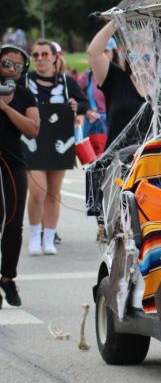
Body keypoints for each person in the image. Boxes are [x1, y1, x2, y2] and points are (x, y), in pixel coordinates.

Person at [25, 39, 86, 256]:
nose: (40, 59)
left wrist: (77, 107)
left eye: (44, 54)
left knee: (53, 193)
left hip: (60, 142)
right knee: (37, 193)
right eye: (36, 55)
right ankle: (35, 235)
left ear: (54, 57)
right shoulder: (26, 80)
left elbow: (84, 103)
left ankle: (49, 237)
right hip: (32, 142)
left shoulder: (67, 81)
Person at [0, 44, 39, 306]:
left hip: (13, 163)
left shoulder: (25, 95)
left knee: (13, 224)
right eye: (6, 64)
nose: (11, 70)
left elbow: (33, 129)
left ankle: (7, 278)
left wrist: (5, 108)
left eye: (17, 66)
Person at [86, 22, 147, 148]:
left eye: (146, 57)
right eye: (136, 56)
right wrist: (116, 21)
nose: (141, 61)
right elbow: (94, 53)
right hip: (118, 162)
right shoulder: (116, 79)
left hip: (154, 160)